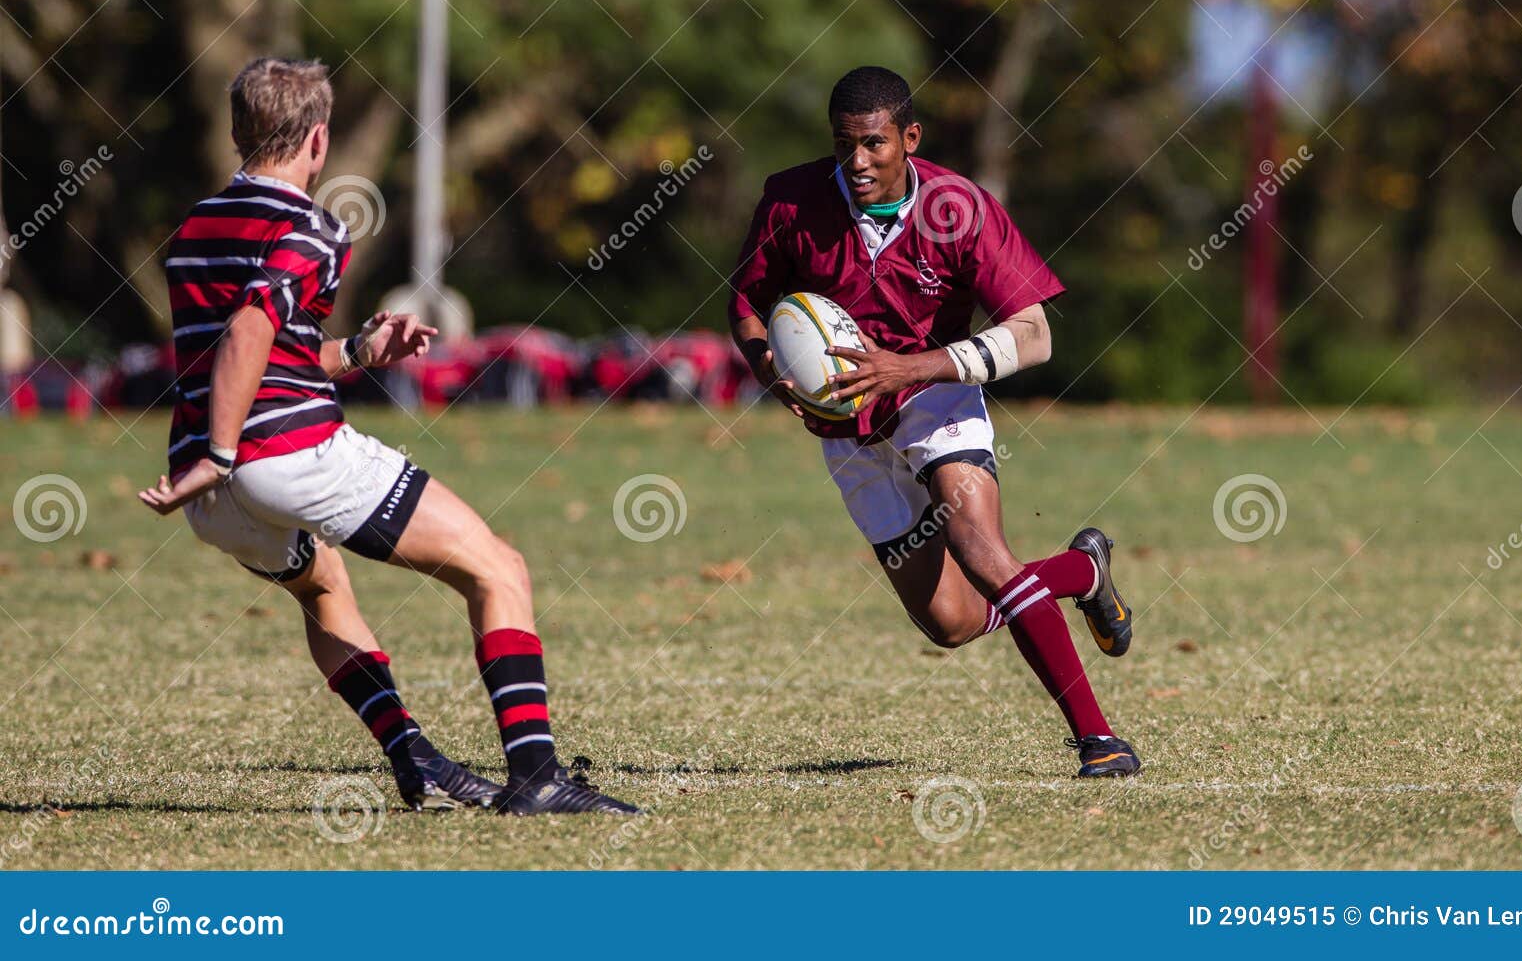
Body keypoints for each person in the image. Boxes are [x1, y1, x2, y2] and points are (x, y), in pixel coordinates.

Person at [138, 57, 635, 814]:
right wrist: (224, 452)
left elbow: (269, 355)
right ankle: (537, 778)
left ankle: (416, 760)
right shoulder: (312, 226)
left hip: (214, 489)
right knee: (498, 571)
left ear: (238, 133)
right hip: (282, 454)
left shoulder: (194, 229)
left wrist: (361, 350)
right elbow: (249, 330)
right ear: (318, 139)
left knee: (323, 586)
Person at [728, 66, 1140, 777]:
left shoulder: (962, 209)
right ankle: (1081, 570)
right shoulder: (791, 200)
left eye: (874, 143)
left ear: (910, 138)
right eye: (844, 145)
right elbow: (747, 303)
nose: (858, 161)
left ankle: (1098, 739)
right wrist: (770, 368)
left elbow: (1035, 334)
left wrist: (911, 369)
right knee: (950, 621)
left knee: (981, 550)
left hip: (935, 397)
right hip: (848, 428)